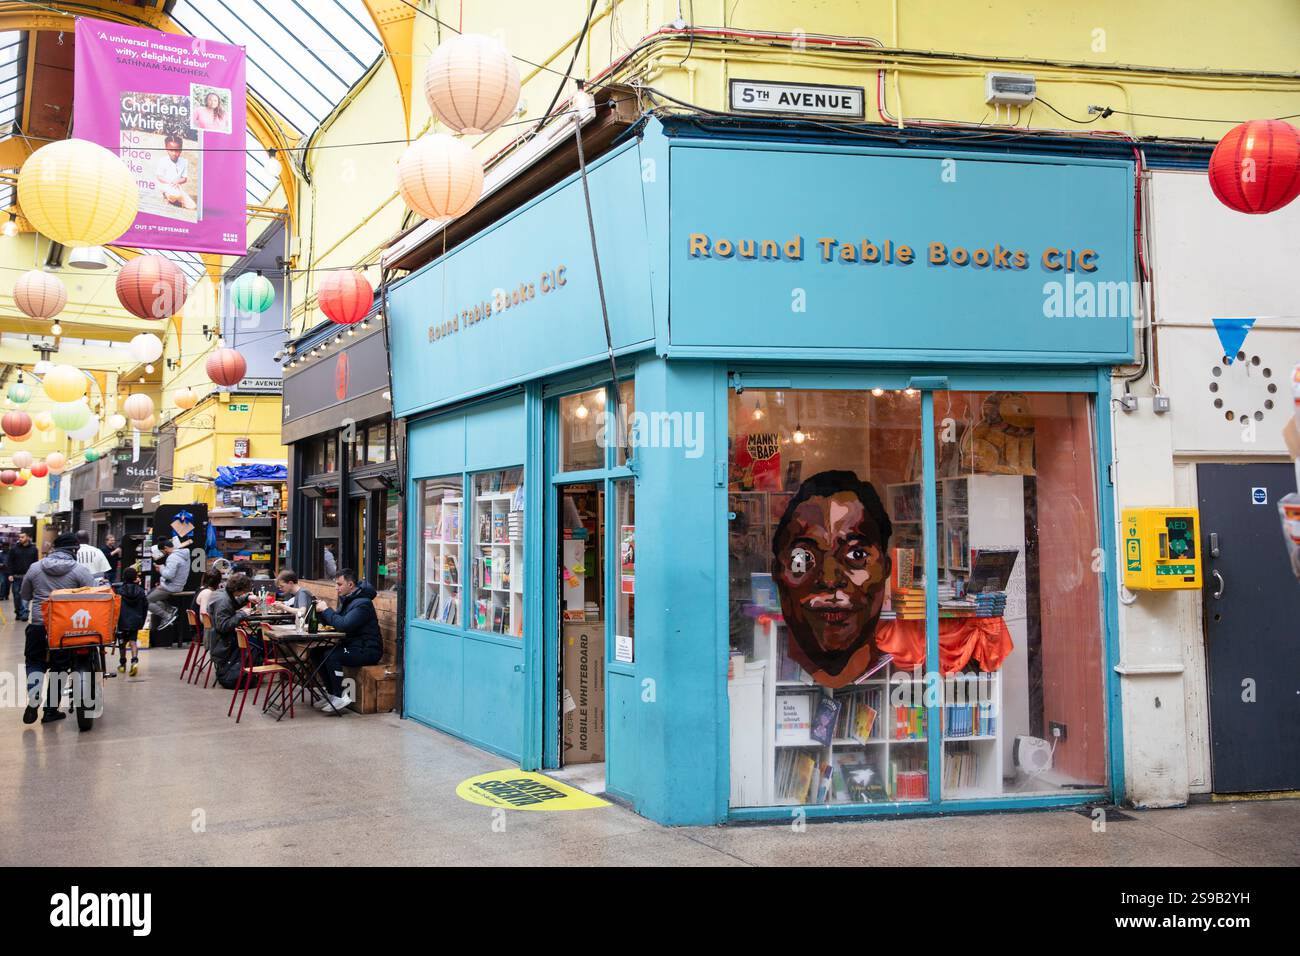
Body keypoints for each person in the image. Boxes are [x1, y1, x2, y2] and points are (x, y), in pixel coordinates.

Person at [771, 470, 893, 689]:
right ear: (776, 572)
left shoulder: (903, 671)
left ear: (886, 568)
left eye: (857, 555)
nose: (829, 580)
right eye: (802, 557)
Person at [20, 532, 95, 724]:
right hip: (65, 628)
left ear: (54, 549)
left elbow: (25, 595)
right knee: (59, 668)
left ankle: (34, 697)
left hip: (38, 624)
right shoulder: (79, 570)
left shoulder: (35, 568)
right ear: (74, 550)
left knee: (35, 662)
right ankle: (51, 711)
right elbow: (94, 595)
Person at [310, 569, 381, 714]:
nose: (336, 587)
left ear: (350, 584)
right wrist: (321, 612)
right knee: (316, 652)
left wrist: (326, 610)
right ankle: (331, 693)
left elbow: (344, 625)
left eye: (339, 584)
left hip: (367, 650)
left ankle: (340, 695)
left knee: (331, 655)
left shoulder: (363, 604)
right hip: (352, 646)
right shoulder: (348, 599)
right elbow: (337, 622)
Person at [206, 573, 255, 681]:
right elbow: (223, 626)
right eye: (244, 591)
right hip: (223, 644)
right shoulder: (224, 601)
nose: (244, 593)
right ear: (238, 589)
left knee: (253, 641)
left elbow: (231, 606)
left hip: (216, 640)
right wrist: (242, 614)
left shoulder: (222, 593)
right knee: (256, 644)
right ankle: (247, 675)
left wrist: (247, 598)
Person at [148, 539, 190, 631]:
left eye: (163, 551)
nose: (163, 553)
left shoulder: (173, 557)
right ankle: (170, 609)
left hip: (171, 587)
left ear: (166, 548)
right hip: (177, 585)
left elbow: (169, 575)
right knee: (153, 596)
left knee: (146, 601)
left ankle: (167, 616)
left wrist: (161, 568)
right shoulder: (183, 554)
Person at [114, 567, 149, 677]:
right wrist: (142, 621)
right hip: (136, 620)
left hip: (122, 621)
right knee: (133, 642)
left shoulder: (119, 591)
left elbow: (116, 607)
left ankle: (122, 664)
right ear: (135, 578)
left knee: (122, 643)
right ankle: (134, 661)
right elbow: (145, 607)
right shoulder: (141, 591)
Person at [154, 134, 196, 210]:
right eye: (171, 150)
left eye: (177, 150)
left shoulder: (184, 161)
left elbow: (184, 178)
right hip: (165, 184)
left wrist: (177, 181)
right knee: (175, 195)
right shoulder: (163, 161)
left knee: (192, 206)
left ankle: (175, 199)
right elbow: (159, 176)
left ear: (181, 150)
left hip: (176, 186)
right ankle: (166, 195)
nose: (174, 153)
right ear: (166, 149)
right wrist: (170, 182)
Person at [7, 532, 40, 622]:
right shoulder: (14, 549)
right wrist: (10, 574)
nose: (20, 538)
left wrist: (35, 575)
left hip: (28, 576)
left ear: (28, 537)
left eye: (22, 537)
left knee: (26, 595)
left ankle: (24, 612)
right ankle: (18, 612)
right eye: (19, 537)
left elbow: (35, 563)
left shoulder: (34, 549)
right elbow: (10, 562)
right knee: (17, 596)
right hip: (16, 576)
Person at [193, 569, 222, 649]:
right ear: (218, 582)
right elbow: (203, 618)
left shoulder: (200, 589)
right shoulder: (207, 593)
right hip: (204, 633)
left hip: (199, 631)